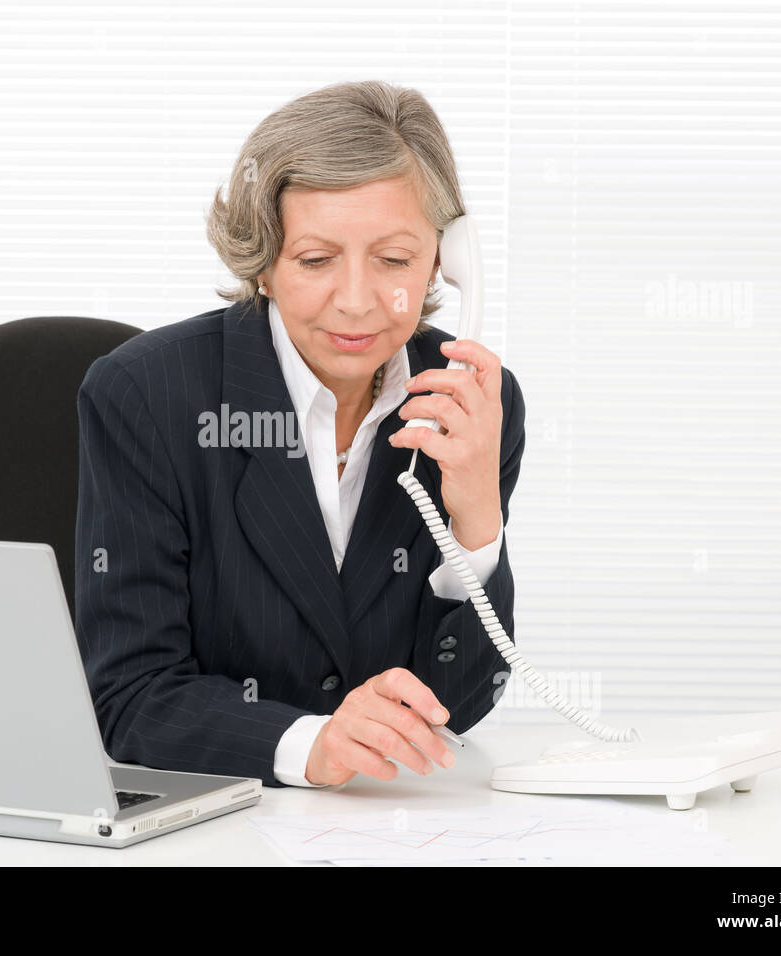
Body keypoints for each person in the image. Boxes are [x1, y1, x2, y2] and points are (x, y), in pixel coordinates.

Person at [74, 80, 525, 789]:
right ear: (264, 261)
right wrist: (310, 745)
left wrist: (475, 520)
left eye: (395, 259)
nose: (356, 299)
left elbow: (461, 703)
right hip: (215, 822)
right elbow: (130, 697)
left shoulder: (470, 404)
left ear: (446, 258)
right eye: (316, 261)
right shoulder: (145, 398)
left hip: (393, 829)